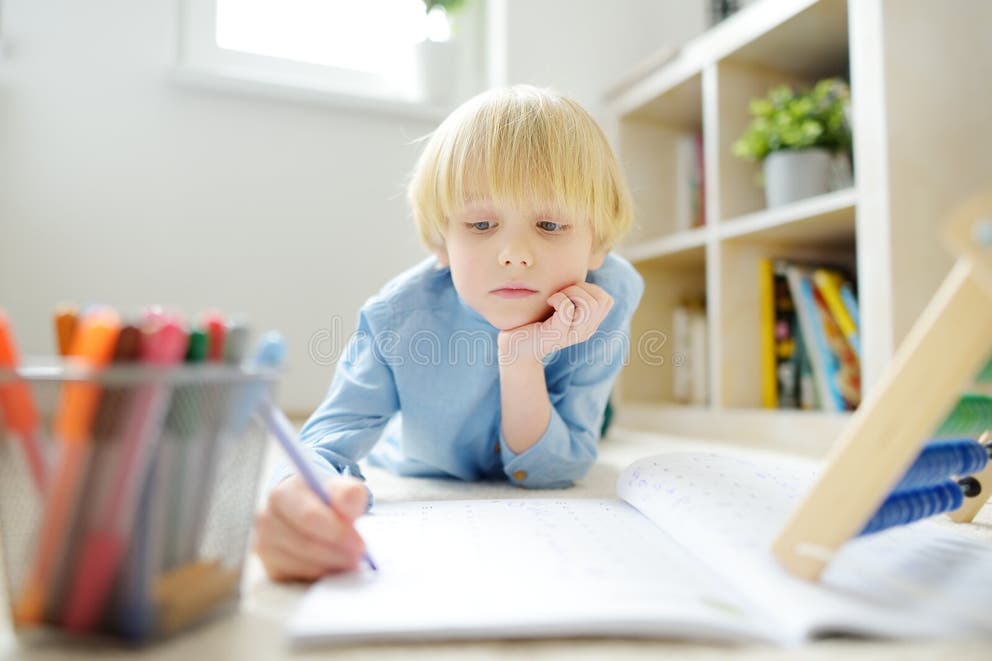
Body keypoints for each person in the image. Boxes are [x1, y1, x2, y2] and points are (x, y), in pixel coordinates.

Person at [254, 85, 644, 581]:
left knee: (596, 424)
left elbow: (555, 471)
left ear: (598, 246)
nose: (514, 254)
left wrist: (522, 360)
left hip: (560, 404)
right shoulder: (396, 317)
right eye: (481, 224)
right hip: (427, 449)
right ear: (443, 240)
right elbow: (323, 443)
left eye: (549, 223)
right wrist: (301, 496)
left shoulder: (609, 295)